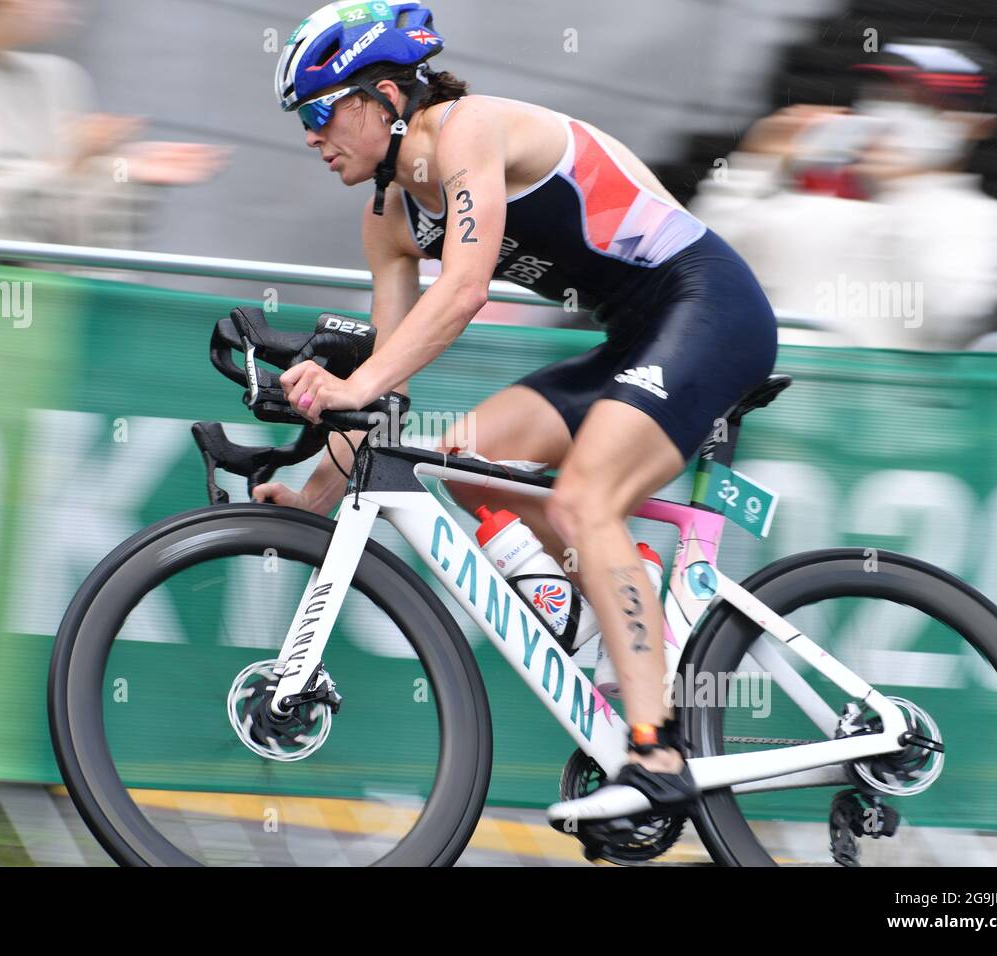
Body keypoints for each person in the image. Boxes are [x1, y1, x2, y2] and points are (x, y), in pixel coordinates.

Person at [254, 1, 778, 830]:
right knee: (464, 458)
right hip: (634, 337)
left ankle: (655, 751)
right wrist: (314, 496)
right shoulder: (388, 217)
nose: (313, 137)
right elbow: (387, 383)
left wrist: (352, 387)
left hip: (709, 305)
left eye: (321, 112)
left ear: (386, 96)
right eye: (303, 121)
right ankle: (619, 589)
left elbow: (460, 293)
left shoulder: (468, 130)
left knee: (582, 500)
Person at [692, 39, 997, 350]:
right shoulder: (809, 202)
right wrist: (755, 164)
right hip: (773, 404)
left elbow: (945, 321)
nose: (893, 116)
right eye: (887, 96)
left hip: (886, 411)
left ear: (976, 124)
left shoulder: (990, 222)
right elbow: (703, 268)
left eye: (924, 104)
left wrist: (903, 193)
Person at [0, 0, 229, 246]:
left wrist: (122, 174)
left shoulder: (59, 78)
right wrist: (69, 165)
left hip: (40, 310)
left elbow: (72, 231)